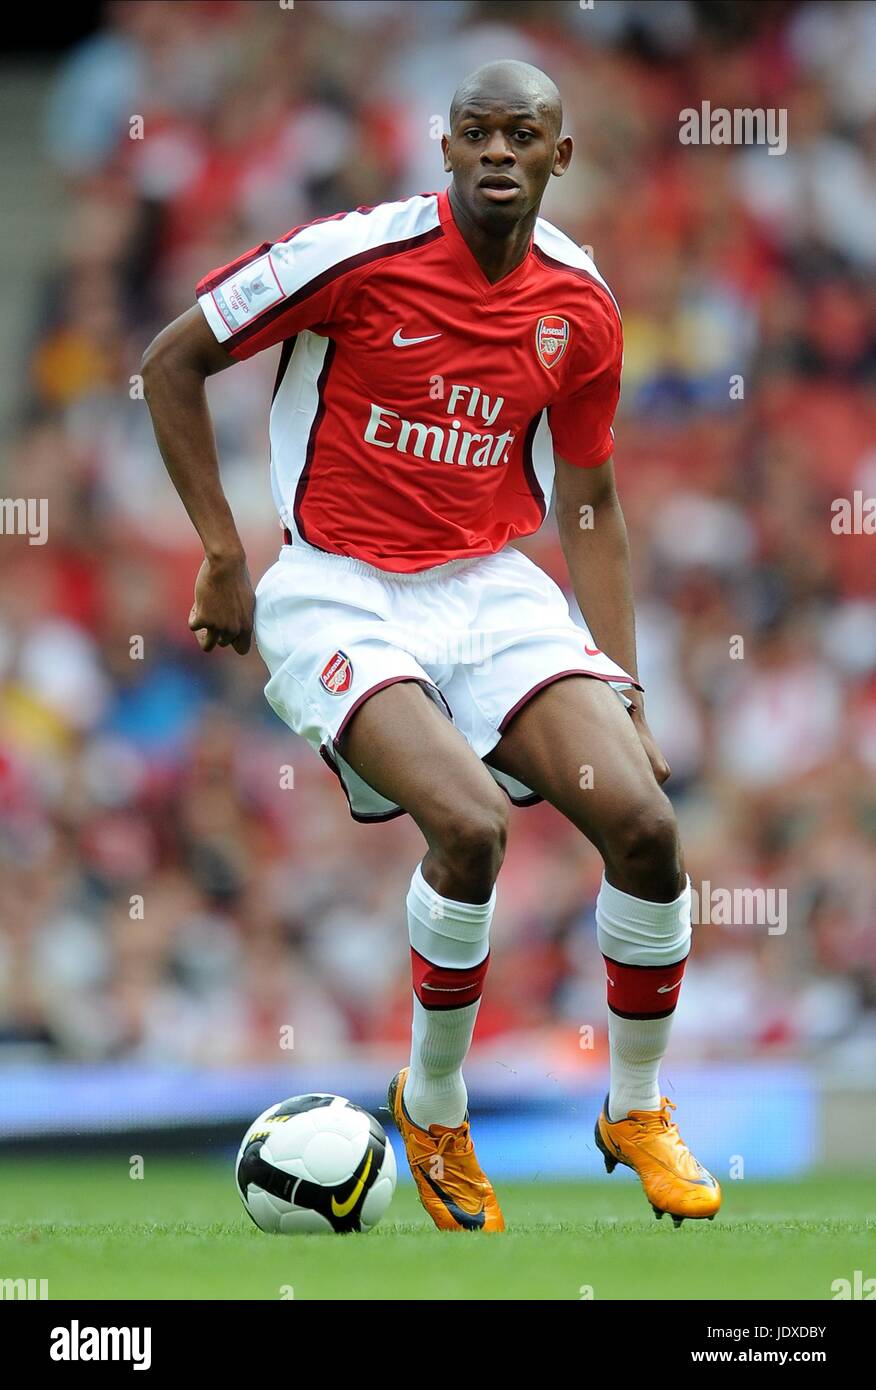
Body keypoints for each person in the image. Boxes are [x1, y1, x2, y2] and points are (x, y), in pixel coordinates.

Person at [142, 59, 720, 1232]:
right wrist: (220, 549)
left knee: (650, 829)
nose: (499, 152)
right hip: (338, 587)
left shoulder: (582, 305)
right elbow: (171, 360)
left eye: (524, 136)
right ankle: (437, 1105)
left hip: (488, 586)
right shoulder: (352, 257)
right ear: (443, 147)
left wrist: (627, 677)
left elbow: (592, 502)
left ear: (561, 158)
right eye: (478, 134)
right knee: (469, 826)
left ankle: (637, 1105)